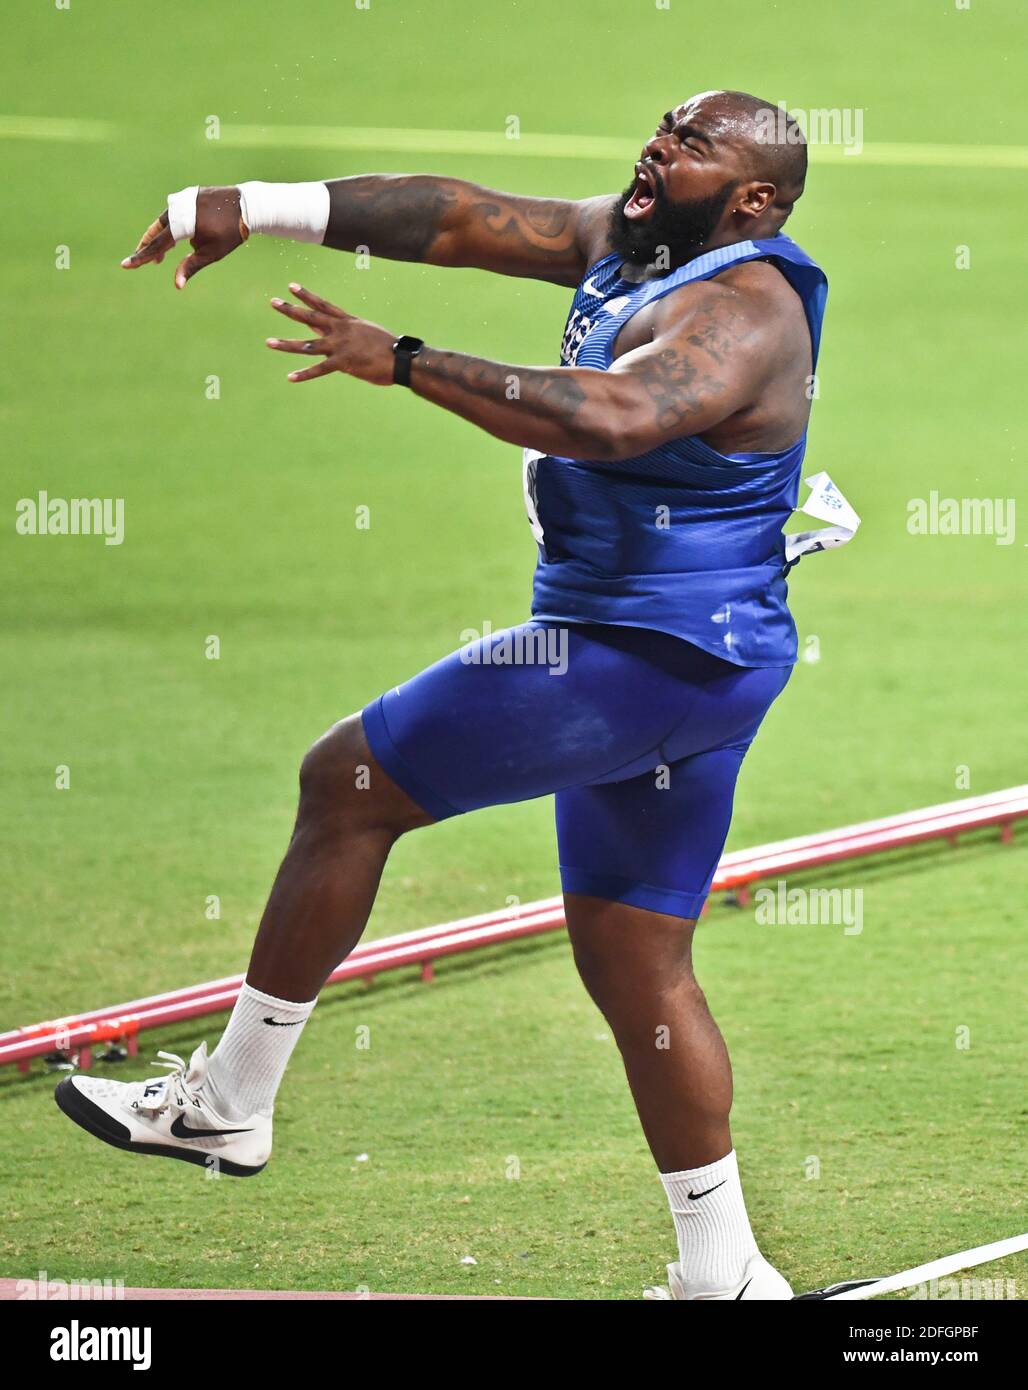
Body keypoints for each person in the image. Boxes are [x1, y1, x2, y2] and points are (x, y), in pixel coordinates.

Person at [56, 90, 828, 1301]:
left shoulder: (742, 306)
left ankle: (228, 1103)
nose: (658, 142)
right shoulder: (628, 239)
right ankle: (722, 1270)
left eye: (693, 144)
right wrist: (250, 206)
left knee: (344, 781)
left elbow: (619, 416)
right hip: (706, 662)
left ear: (753, 200)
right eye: (663, 122)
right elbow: (461, 219)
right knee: (637, 965)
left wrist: (404, 360)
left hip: (636, 655)